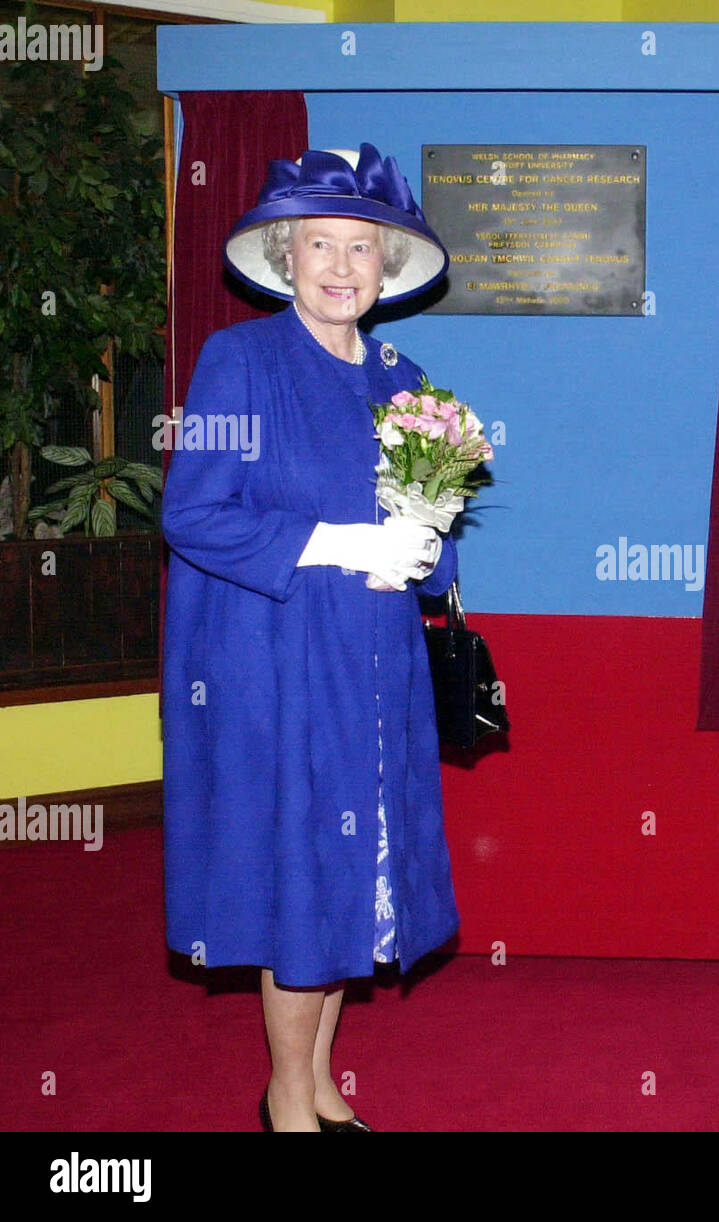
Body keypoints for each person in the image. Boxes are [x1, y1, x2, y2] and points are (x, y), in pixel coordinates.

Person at [162, 144, 459, 1132]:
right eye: (319, 245)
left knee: (353, 882)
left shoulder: (402, 376)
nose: (340, 265)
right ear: (286, 258)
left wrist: (422, 549)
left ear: (386, 268)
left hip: (376, 668)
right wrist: (335, 541)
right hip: (278, 668)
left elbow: (435, 527)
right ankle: (287, 1098)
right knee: (302, 882)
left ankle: (323, 1080)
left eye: (359, 248)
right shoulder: (236, 361)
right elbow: (194, 516)